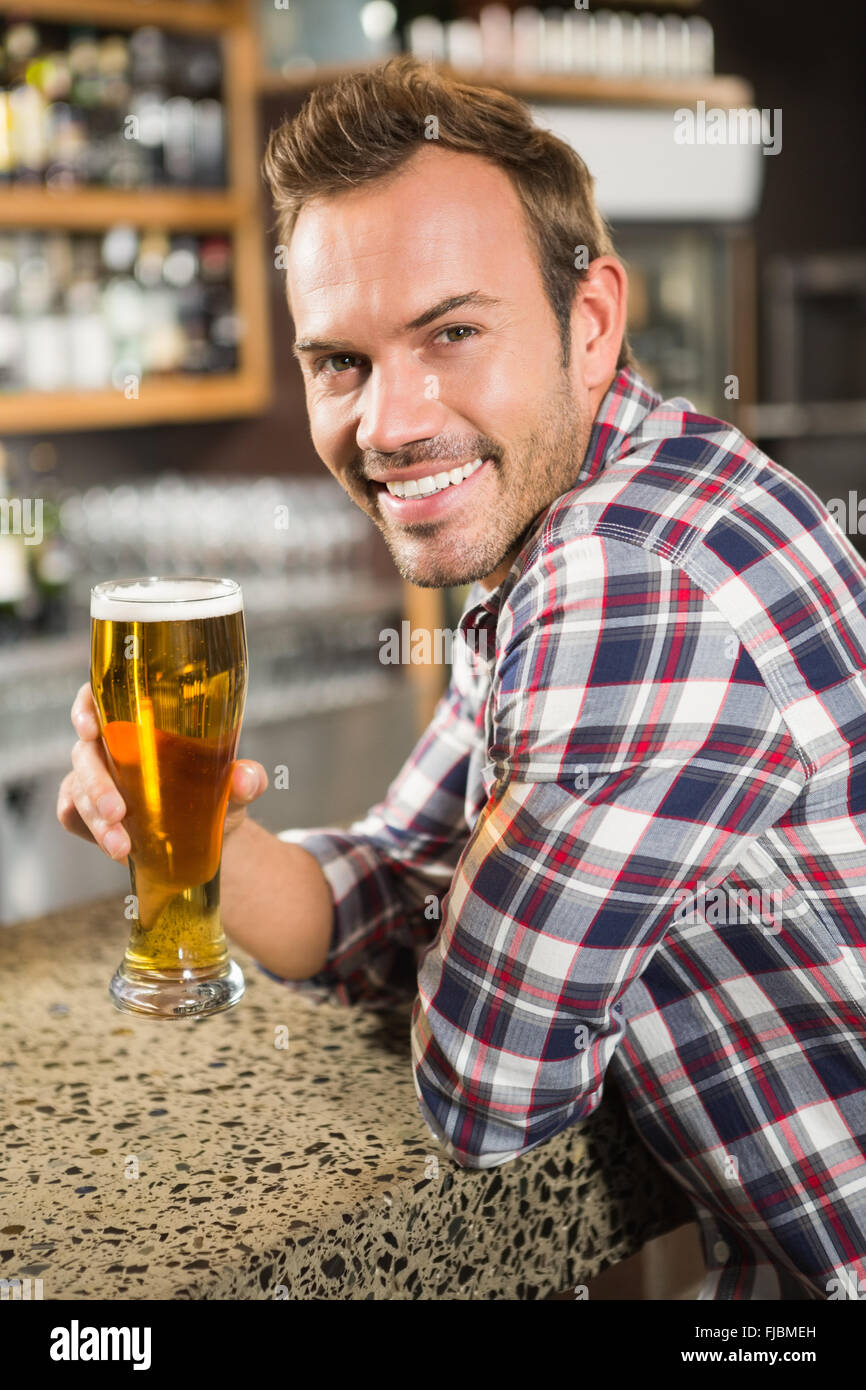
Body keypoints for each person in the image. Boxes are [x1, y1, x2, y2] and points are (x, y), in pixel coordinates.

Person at [58, 58, 866, 1301]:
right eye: (341, 361)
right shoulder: (592, 508)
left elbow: (486, 1091)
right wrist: (197, 826)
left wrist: (472, 915)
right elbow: (398, 881)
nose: (388, 421)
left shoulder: (625, 577)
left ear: (587, 321)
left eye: (451, 332)